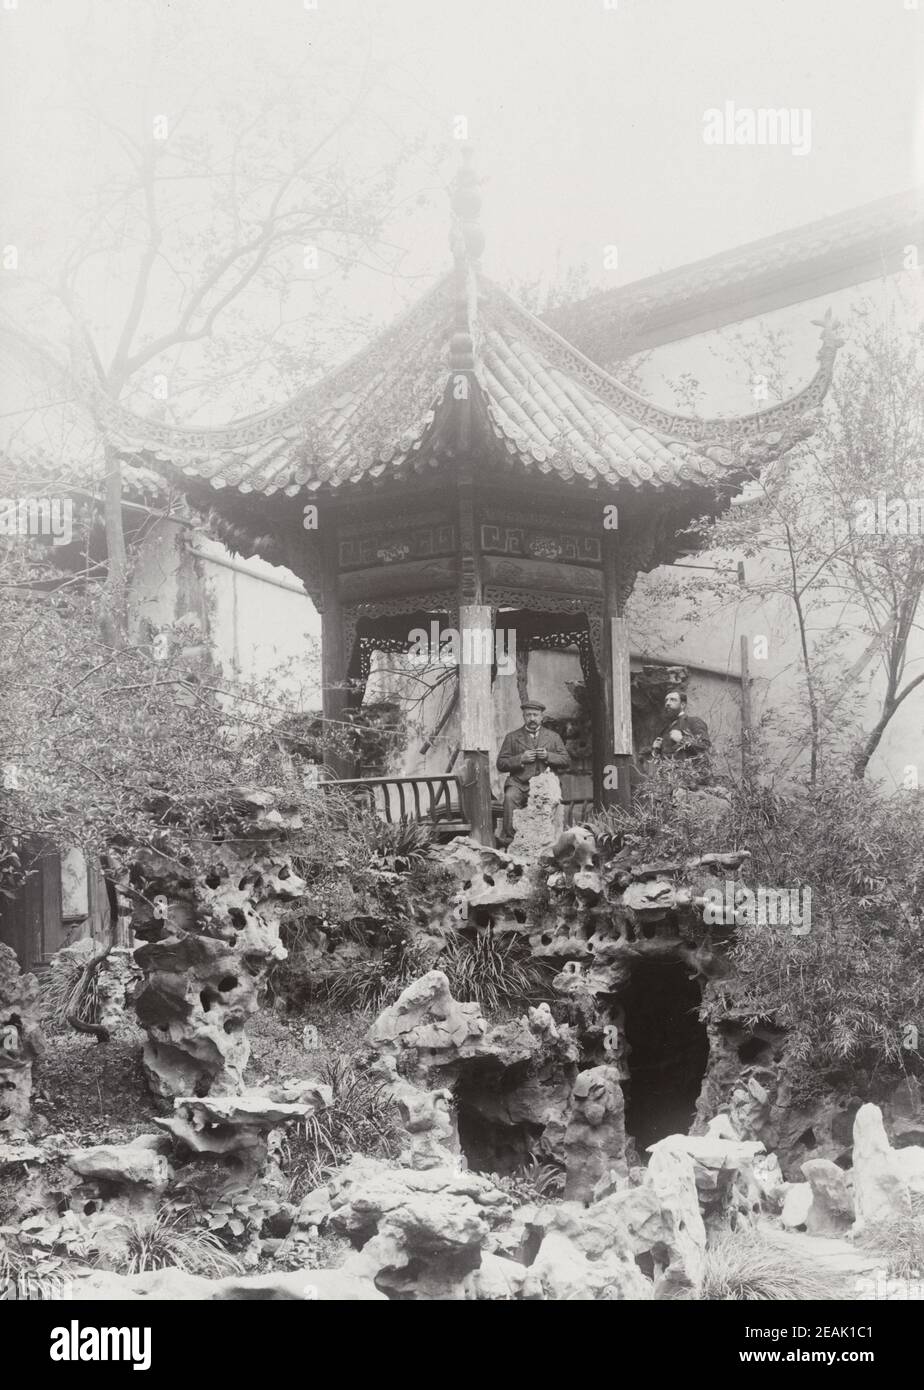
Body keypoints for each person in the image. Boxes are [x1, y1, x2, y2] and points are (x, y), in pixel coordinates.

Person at [496, 700, 571, 843]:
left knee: (551, 805)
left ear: (541, 717)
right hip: (520, 783)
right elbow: (501, 764)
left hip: (546, 784)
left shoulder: (553, 737)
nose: (532, 719)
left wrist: (548, 756)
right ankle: (510, 840)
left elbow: (566, 761)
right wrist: (520, 759)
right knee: (510, 797)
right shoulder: (512, 737)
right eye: (528, 715)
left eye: (535, 715)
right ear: (523, 717)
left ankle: (549, 841)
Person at [650, 690, 711, 763]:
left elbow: (705, 748)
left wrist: (682, 740)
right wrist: (656, 750)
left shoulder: (693, 721)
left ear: (682, 705)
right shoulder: (665, 729)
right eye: (666, 700)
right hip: (669, 773)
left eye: (673, 700)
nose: (667, 703)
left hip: (688, 772)